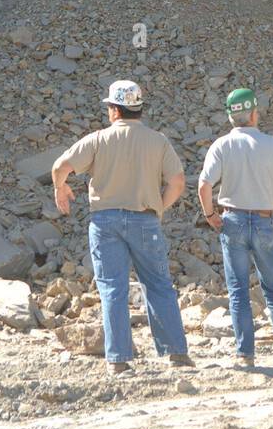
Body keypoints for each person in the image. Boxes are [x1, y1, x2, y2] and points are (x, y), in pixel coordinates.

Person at [51, 78, 191, 375]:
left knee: (112, 288)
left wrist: (60, 189)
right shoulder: (158, 141)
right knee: (158, 285)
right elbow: (178, 182)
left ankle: (118, 359)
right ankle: (176, 353)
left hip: (105, 221)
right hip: (145, 219)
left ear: (114, 109)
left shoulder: (98, 139)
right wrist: (158, 207)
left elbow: (60, 167)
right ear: (138, 109)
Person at [198, 87, 273, 369]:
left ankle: (245, 354)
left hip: (232, 221)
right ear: (255, 113)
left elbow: (204, 185)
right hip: (265, 220)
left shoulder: (221, 146)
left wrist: (210, 214)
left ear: (231, 117)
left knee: (238, 290)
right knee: (272, 288)